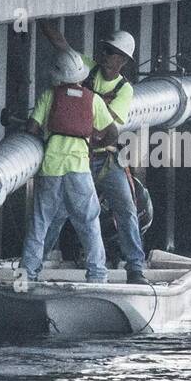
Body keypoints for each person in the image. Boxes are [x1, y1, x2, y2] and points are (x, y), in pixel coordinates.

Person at [40, 23, 150, 285]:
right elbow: (62, 46)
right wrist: (39, 19)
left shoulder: (124, 89)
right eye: (103, 49)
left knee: (126, 207)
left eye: (110, 51)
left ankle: (135, 268)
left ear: (122, 60)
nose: (104, 54)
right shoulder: (87, 68)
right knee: (60, 210)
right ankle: (39, 262)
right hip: (80, 158)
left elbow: (108, 128)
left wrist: (75, 116)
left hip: (106, 158)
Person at [21, 48, 120, 283]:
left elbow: (31, 129)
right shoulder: (92, 99)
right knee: (89, 222)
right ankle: (97, 275)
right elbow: (112, 132)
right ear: (80, 75)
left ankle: (28, 274)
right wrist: (95, 144)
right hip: (78, 167)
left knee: (40, 222)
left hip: (51, 166)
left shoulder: (49, 96)